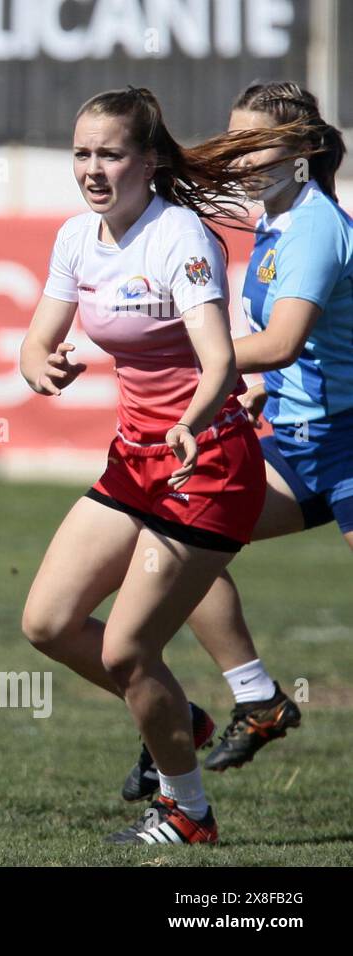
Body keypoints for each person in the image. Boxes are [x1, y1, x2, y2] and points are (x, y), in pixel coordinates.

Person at [18, 87, 294, 845]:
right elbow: (34, 342)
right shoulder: (78, 238)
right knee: (45, 622)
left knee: (127, 650)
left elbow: (219, 364)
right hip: (135, 463)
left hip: (205, 466)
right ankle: (184, 715)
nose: (93, 169)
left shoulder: (182, 237)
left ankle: (188, 813)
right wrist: (39, 366)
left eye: (110, 153)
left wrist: (191, 424)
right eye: (82, 153)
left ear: (148, 160)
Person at [163, 82, 350, 776]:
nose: (237, 158)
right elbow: (309, 348)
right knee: (182, 539)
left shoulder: (314, 225)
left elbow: (282, 340)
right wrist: (266, 393)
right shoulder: (276, 220)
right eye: (232, 140)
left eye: (254, 144)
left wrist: (185, 351)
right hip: (302, 444)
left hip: (348, 440)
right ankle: (258, 699)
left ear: (300, 150)